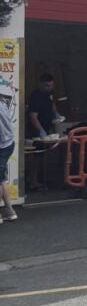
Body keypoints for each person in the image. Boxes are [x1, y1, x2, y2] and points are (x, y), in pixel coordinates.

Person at [26, 73, 64, 190]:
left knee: (42, 156)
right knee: (36, 156)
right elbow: (33, 116)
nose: (49, 88)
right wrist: (41, 131)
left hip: (47, 127)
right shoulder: (36, 96)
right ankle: (32, 181)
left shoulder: (49, 94)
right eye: (47, 86)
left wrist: (56, 114)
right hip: (36, 130)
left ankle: (37, 179)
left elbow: (52, 104)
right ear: (40, 84)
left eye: (51, 85)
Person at [0, 89, 17, 222]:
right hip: (8, 143)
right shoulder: (2, 100)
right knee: (1, 179)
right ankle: (9, 210)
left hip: (1, 145)